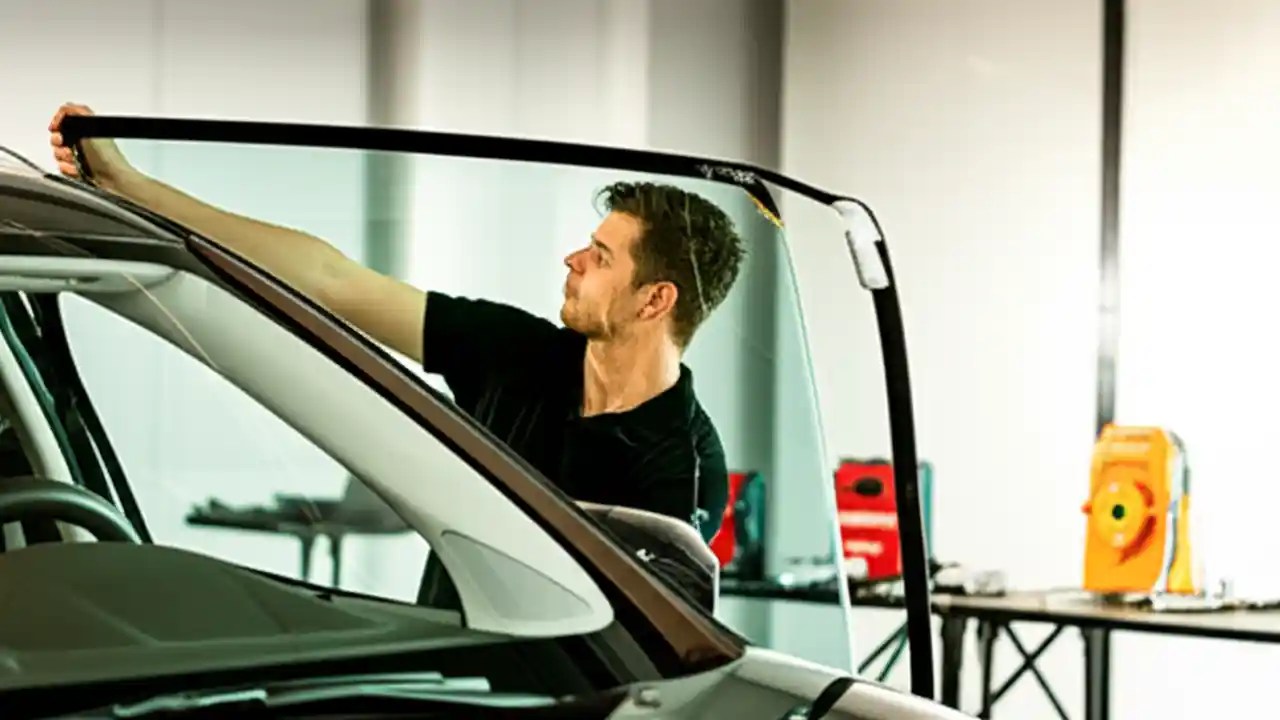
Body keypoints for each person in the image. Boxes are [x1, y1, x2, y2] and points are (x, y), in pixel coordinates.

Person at [48, 103, 745, 545]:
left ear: (655, 301)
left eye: (598, 257)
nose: (571, 260)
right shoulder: (518, 352)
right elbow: (331, 280)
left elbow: (650, 648)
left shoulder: (681, 469)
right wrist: (132, 189)